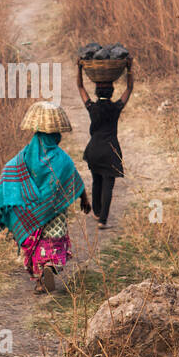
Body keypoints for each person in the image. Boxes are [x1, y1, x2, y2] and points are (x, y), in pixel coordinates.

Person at [0, 102, 90, 293]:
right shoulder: (62, 159)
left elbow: (8, 172)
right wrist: (84, 199)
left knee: (36, 245)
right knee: (54, 241)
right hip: (55, 212)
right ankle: (50, 267)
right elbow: (74, 179)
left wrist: (9, 197)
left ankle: (39, 280)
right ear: (56, 136)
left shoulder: (24, 156)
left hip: (31, 212)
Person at [77, 58, 133, 230]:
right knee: (108, 184)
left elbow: (80, 87)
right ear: (112, 91)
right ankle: (103, 220)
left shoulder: (92, 107)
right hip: (110, 150)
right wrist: (129, 68)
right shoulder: (116, 108)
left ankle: (96, 211)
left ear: (96, 92)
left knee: (96, 181)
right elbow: (129, 89)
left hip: (94, 150)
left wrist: (79, 68)